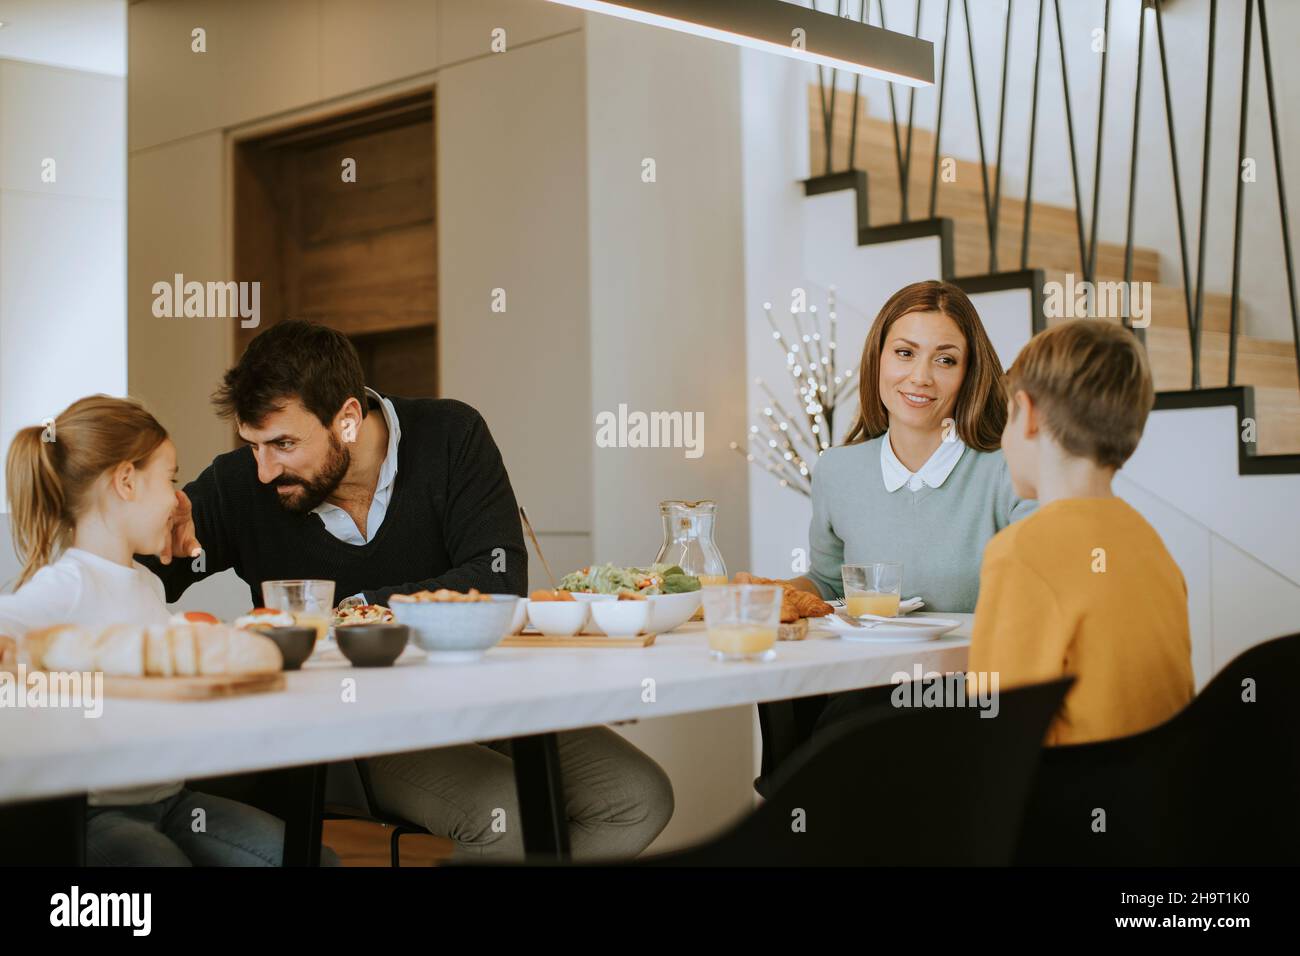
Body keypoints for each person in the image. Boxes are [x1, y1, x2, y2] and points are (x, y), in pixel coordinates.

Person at [144, 320, 673, 860]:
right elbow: (134, 570)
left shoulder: (452, 436)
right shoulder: (242, 486)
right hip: (355, 721)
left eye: (283, 444)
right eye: (252, 445)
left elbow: (497, 580)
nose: (263, 470)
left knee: (636, 798)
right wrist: (147, 520)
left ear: (347, 420)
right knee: (506, 813)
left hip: (484, 694)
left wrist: (351, 614)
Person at [0, 395, 336, 865]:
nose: (180, 500)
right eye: (170, 479)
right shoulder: (66, 585)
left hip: (173, 799)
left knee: (312, 859)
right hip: (98, 814)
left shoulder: (146, 584)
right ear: (125, 481)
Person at [737, 280, 1036, 736]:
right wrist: (773, 593)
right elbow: (829, 582)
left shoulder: (1008, 468)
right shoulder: (837, 470)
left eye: (945, 359)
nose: (920, 377)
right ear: (877, 358)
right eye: (904, 353)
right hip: (866, 689)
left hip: (973, 697)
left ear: (969, 373)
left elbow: (1040, 592)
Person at [968, 319, 1194, 744]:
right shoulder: (1149, 542)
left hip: (1071, 796)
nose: (1001, 441)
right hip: (1158, 797)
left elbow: (996, 732)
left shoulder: (1018, 552)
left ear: (1029, 414)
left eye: (1007, 418)